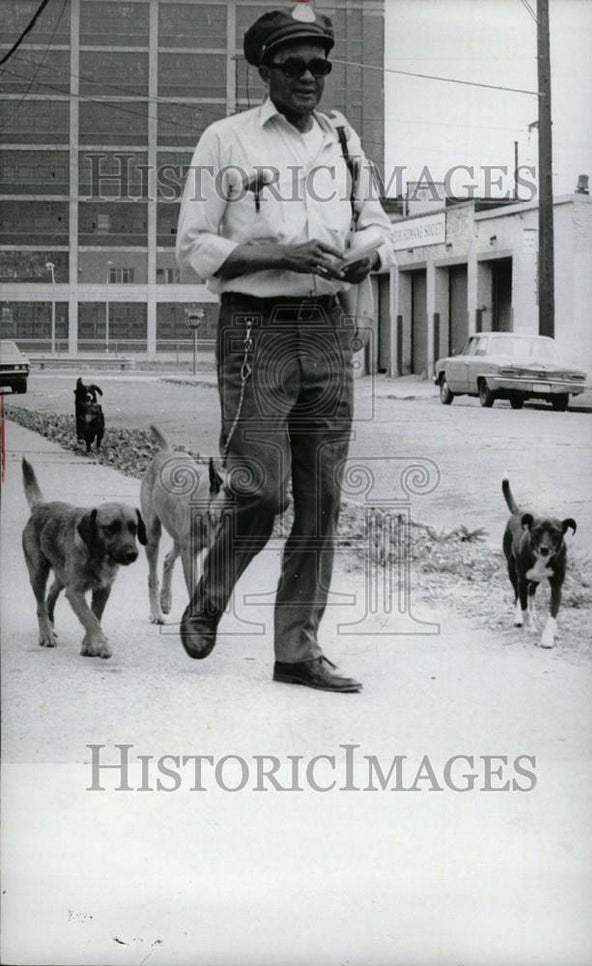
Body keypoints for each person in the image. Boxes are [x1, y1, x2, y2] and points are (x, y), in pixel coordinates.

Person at [176, 3, 394, 693]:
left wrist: (365, 258)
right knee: (262, 490)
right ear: (264, 67)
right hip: (255, 330)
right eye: (293, 63)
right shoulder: (227, 141)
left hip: (330, 328)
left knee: (323, 498)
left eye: (319, 63)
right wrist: (277, 250)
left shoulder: (343, 141)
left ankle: (296, 650)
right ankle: (209, 598)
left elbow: (377, 222)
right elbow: (193, 244)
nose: (309, 75)